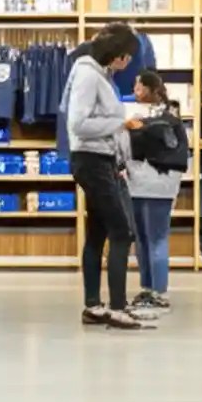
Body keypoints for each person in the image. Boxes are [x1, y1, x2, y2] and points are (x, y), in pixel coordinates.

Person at [64, 23, 152, 331]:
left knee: (99, 232)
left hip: (100, 159)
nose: (128, 62)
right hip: (91, 160)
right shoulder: (89, 74)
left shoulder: (97, 73)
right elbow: (78, 124)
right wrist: (119, 123)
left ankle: (94, 305)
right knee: (121, 231)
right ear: (117, 54)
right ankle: (116, 308)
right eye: (126, 56)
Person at [124, 70, 187, 314]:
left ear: (149, 89)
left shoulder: (142, 115)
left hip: (143, 179)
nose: (134, 92)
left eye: (138, 87)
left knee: (150, 238)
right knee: (149, 238)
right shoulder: (171, 113)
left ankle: (156, 290)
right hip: (156, 181)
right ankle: (152, 289)